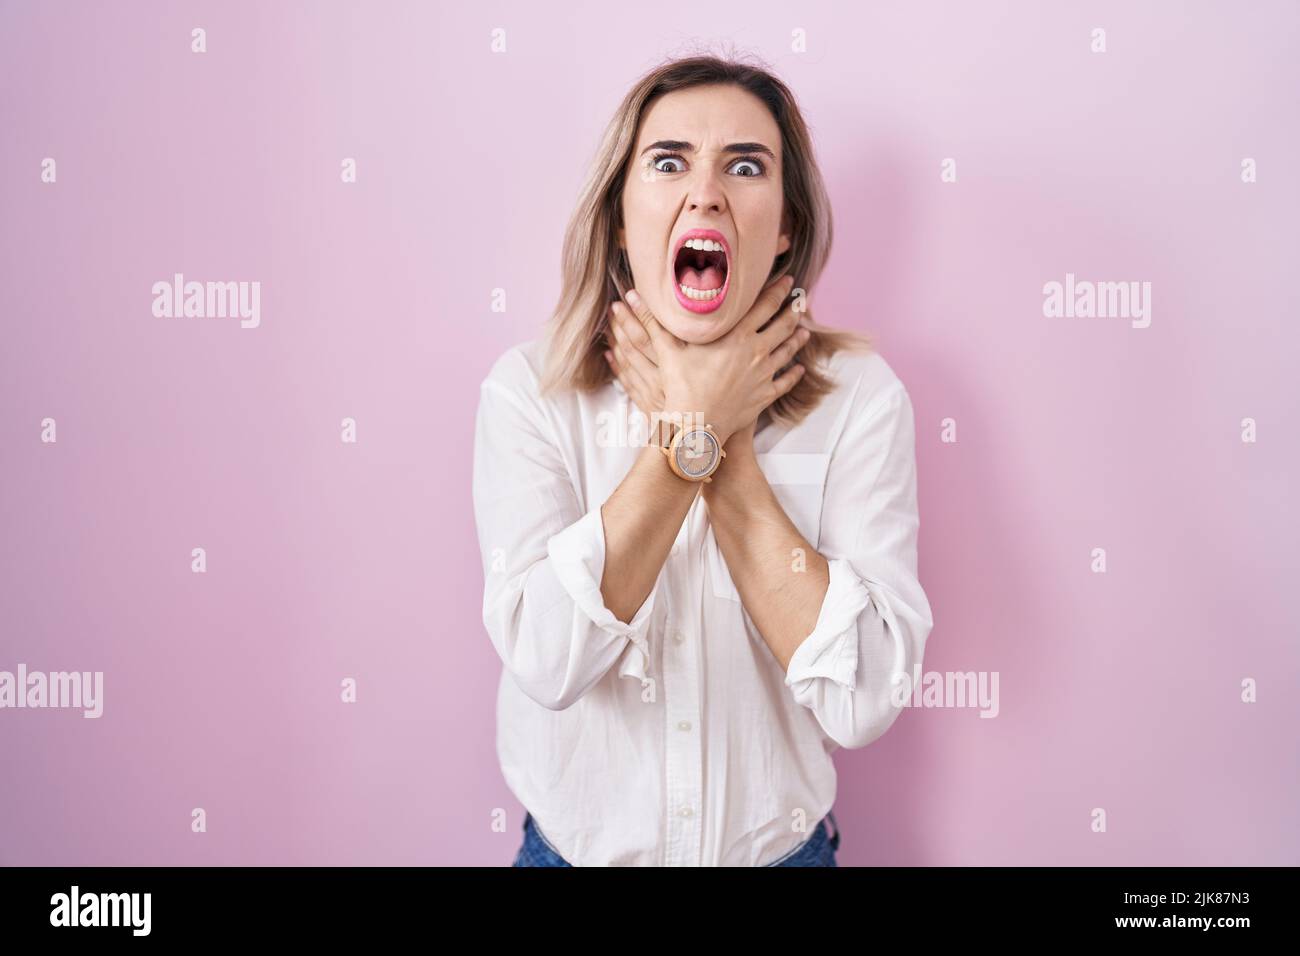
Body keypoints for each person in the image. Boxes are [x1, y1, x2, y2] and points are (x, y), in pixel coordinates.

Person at [473, 54, 934, 866]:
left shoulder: (861, 399)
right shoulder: (529, 393)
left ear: (786, 224)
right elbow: (549, 661)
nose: (707, 191)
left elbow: (864, 697)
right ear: (620, 215)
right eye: (668, 161)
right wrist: (693, 435)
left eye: (746, 165)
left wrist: (713, 437)